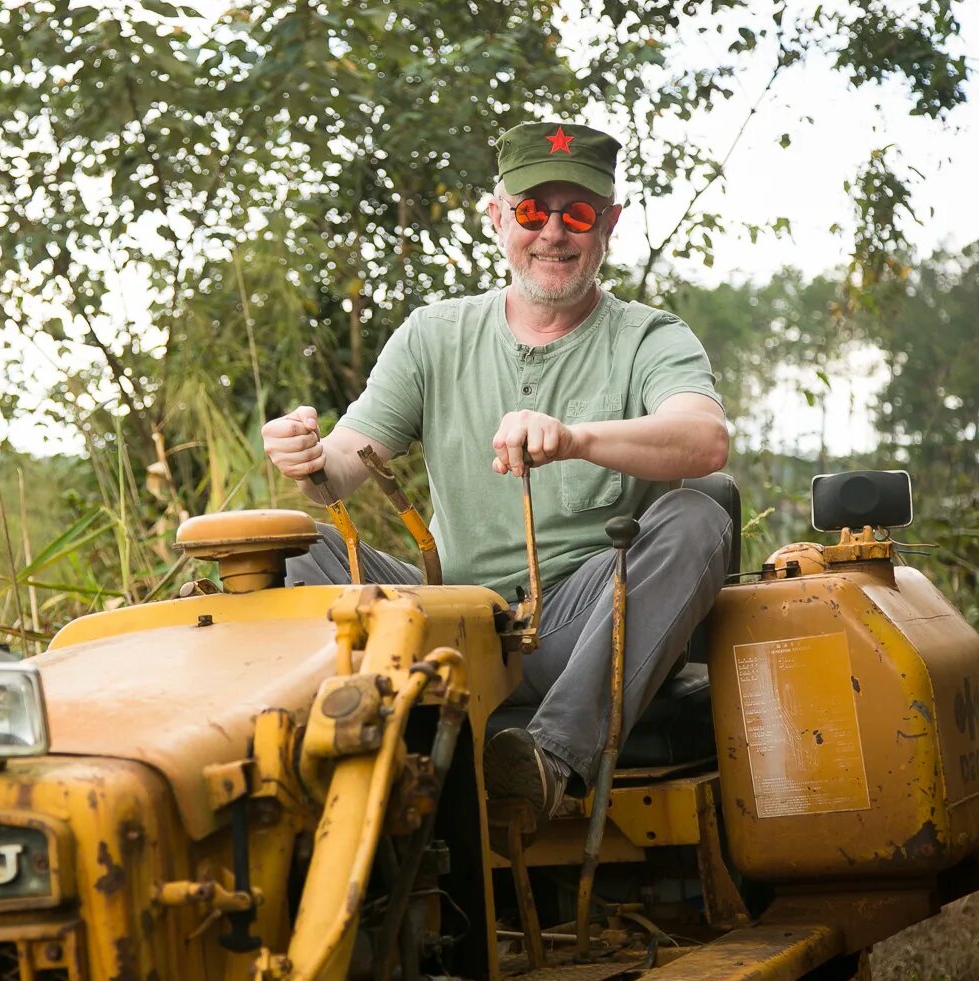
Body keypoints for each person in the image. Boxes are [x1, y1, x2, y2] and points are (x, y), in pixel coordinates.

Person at [260, 121, 733, 816]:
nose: (553, 234)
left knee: (697, 515)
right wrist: (304, 455)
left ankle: (549, 762)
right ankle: (303, 767)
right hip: (451, 623)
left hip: (582, 622)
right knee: (294, 546)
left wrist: (575, 437)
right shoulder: (434, 334)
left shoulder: (651, 338)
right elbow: (341, 467)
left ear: (610, 224)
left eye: (576, 214)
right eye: (532, 212)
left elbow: (704, 440)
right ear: (496, 217)